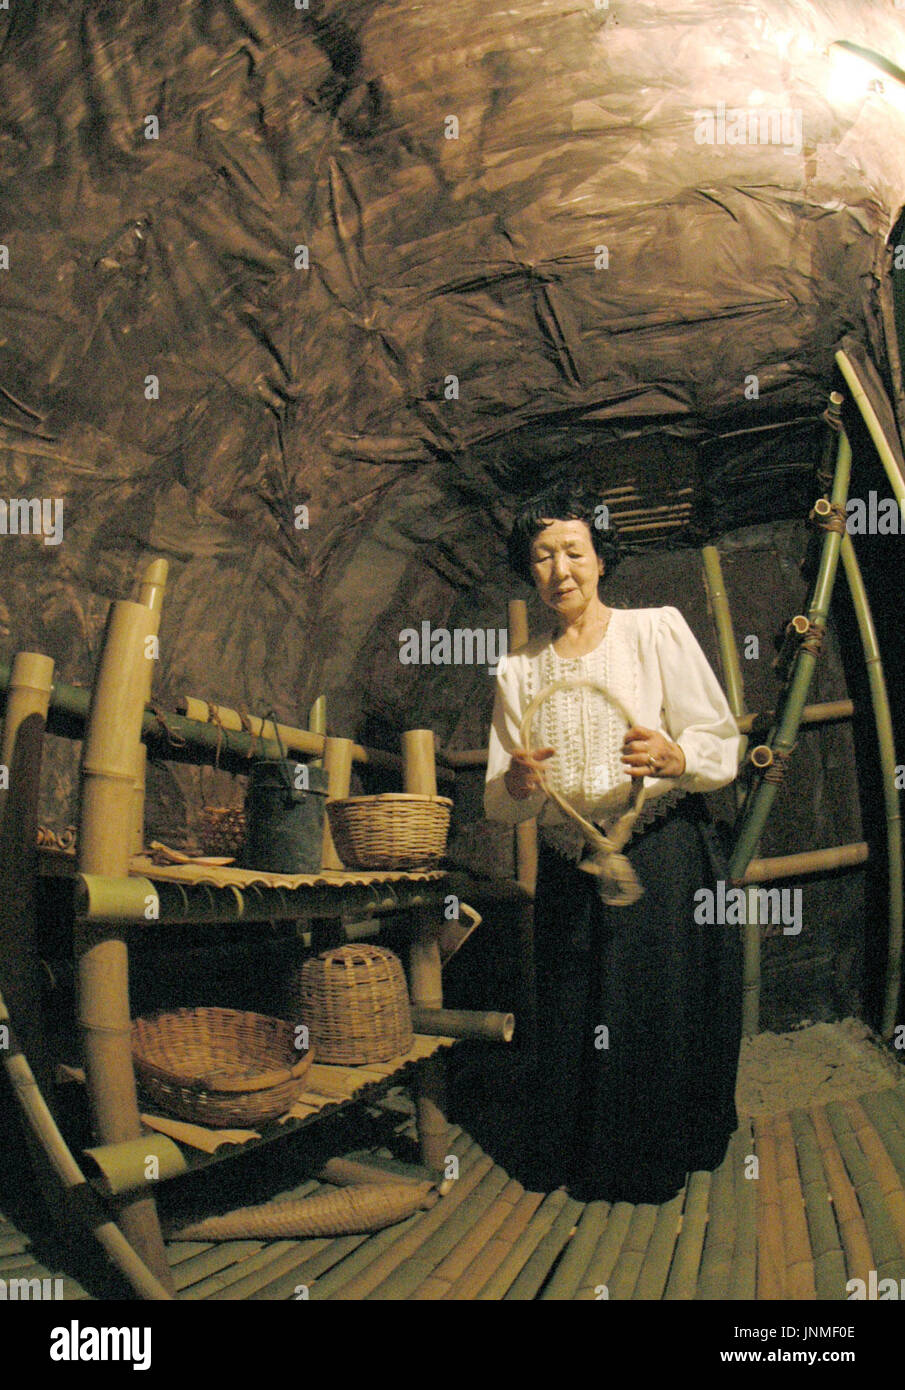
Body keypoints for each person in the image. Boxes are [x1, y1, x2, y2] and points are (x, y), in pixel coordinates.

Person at [484, 483, 743, 1204]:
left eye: (572, 550)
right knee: (575, 1008)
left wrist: (674, 758)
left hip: (658, 852)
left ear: (600, 558)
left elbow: (717, 740)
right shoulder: (518, 671)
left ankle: (652, 1160)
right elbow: (496, 804)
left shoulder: (653, 631)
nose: (558, 569)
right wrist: (518, 781)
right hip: (575, 863)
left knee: (650, 1008)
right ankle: (579, 1157)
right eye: (541, 556)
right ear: (528, 570)